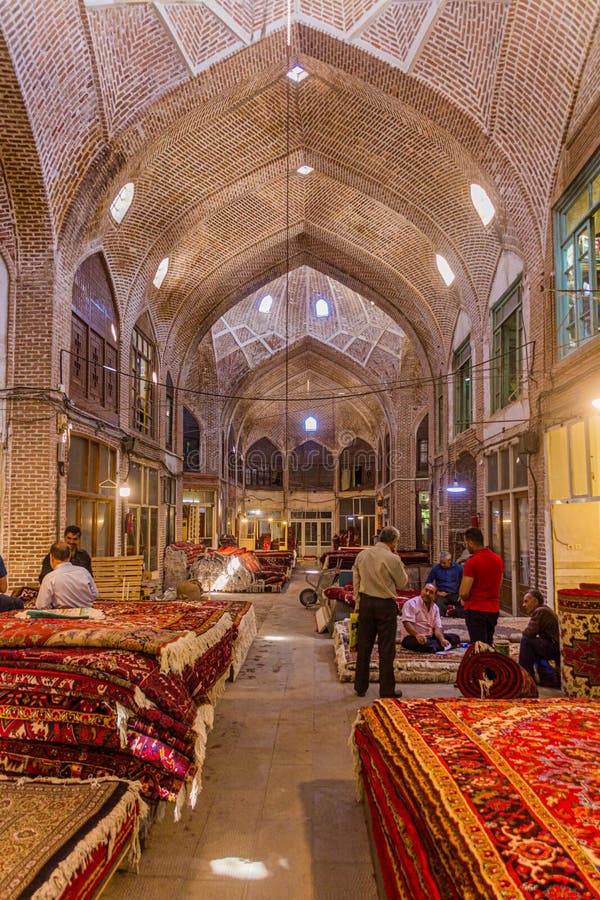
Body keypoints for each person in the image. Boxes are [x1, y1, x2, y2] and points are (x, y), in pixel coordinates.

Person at [352, 525, 408, 699]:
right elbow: (402, 583)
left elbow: (356, 579)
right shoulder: (392, 559)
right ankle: (386, 690)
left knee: (364, 646)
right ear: (393, 541)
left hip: (366, 603)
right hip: (385, 605)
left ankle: (360, 686)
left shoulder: (363, 555)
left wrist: (358, 602)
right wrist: (398, 559)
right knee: (386, 649)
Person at [459, 527, 503, 645]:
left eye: (466, 543)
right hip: (493, 609)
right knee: (488, 643)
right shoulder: (498, 559)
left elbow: (464, 592)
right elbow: (499, 583)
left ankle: (481, 663)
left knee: (478, 646)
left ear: (471, 542)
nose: (466, 546)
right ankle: (490, 662)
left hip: (476, 609)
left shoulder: (472, 562)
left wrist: (464, 599)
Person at [400, 583, 461, 653]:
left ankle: (436, 646)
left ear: (435, 596)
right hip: (412, 637)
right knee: (427, 646)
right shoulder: (411, 603)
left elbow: (438, 627)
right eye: (426, 590)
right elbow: (406, 623)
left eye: (431, 592)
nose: (427, 593)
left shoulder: (435, 608)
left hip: (429, 637)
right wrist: (417, 635)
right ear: (422, 591)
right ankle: (438, 647)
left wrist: (442, 640)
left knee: (455, 638)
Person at [36, 542, 98, 609]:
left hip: (61, 616)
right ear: (69, 556)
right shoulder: (84, 572)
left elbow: (41, 605)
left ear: (51, 557)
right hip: (87, 615)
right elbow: (95, 594)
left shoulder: (49, 578)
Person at [519, 589, 561, 686]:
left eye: (526, 601)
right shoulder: (544, 609)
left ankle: (525, 677)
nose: (524, 605)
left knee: (526, 641)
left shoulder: (540, 611)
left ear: (535, 601)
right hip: (554, 646)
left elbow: (528, 633)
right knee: (534, 644)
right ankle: (547, 676)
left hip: (553, 647)